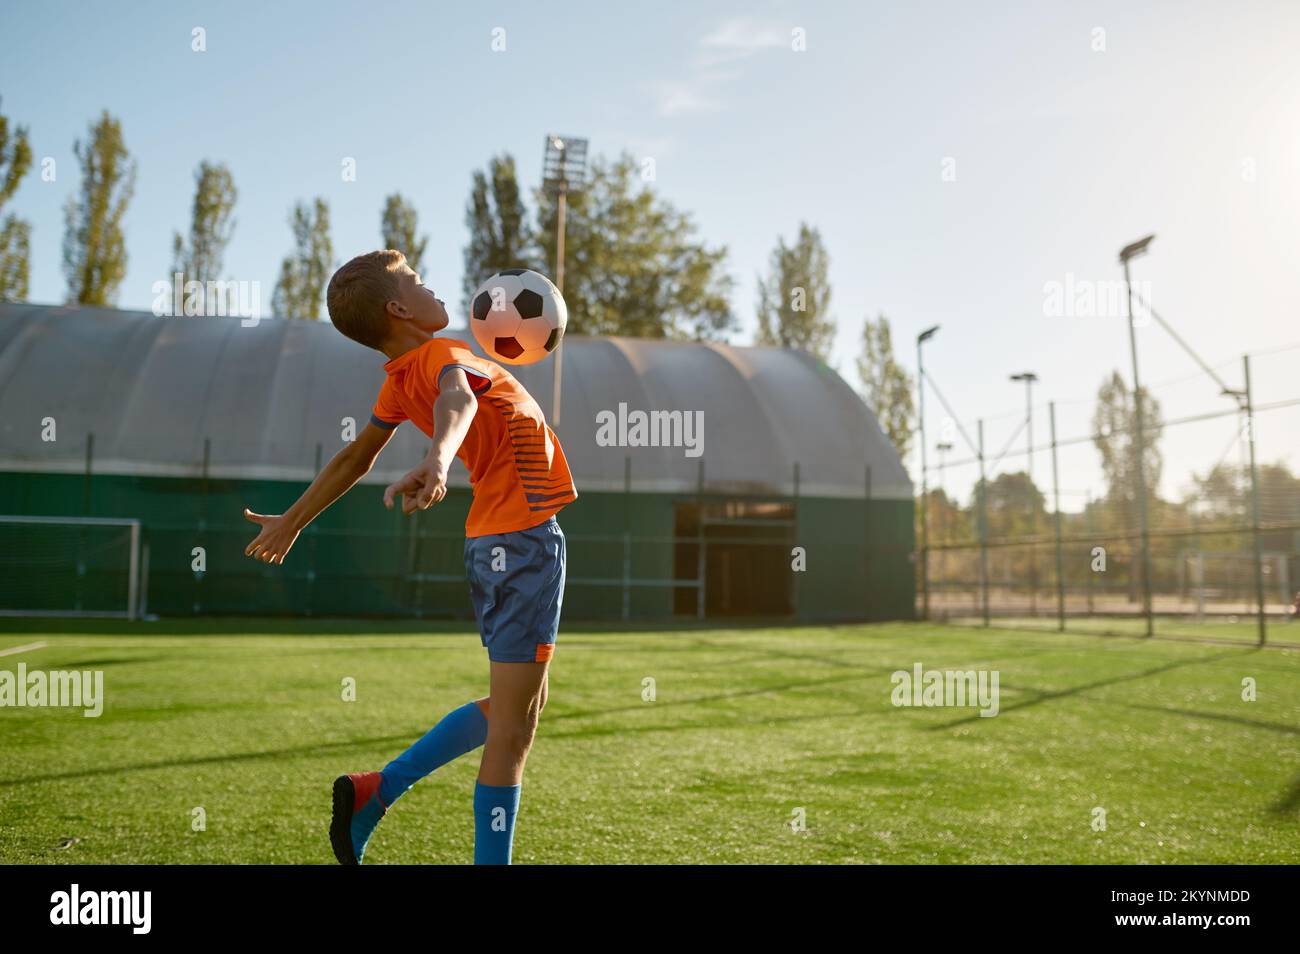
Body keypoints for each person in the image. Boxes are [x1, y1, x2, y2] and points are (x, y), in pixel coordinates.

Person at [242, 250, 576, 864]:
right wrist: (442, 457)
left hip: (501, 542)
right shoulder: (445, 357)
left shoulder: (401, 376)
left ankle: (376, 790)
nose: (431, 287)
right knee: (513, 730)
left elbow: (355, 458)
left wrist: (292, 520)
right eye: (417, 282)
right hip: (522, 542)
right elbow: (460, 401)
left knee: (516, 708)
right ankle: (406, 808)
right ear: (399, 308)